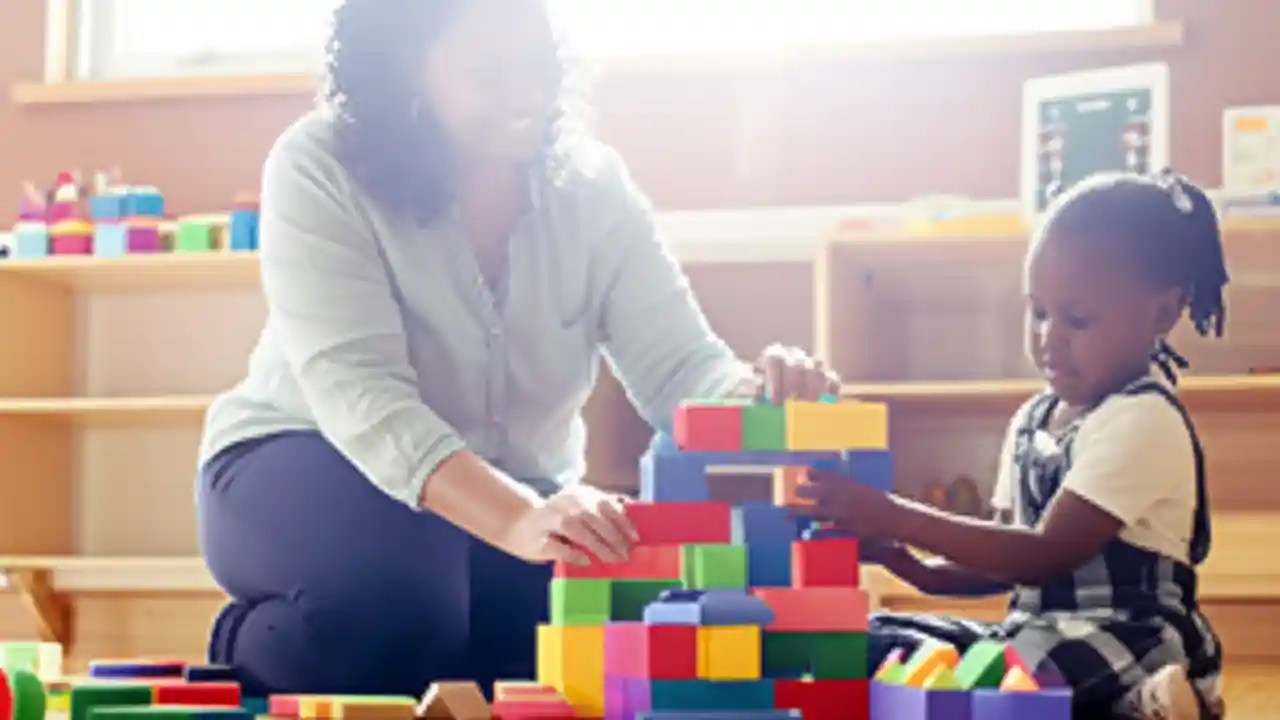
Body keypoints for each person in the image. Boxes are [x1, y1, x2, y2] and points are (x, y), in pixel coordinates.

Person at [194, 0, 839, 699]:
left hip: (510, 493)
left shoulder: (593, 187)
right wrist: (516, 519)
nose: (526, 94)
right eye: (488, 72)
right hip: (303, 454)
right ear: (407, 69)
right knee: (404, 608)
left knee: (551, 652)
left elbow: (681, 366)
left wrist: (761, 397)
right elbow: (362, 395)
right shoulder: (318, 161)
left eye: (539, 67)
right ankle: (246, 649)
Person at [795, 170, 1228, 719]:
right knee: (877, 641)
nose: (1049, 338)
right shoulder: (1034, 420)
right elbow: (1003, 556)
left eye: (1078, 318)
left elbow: (1044, 554)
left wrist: (894, 515)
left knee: (1012, 679)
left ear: (1162, 313)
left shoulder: (1142, 420)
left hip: (1126, 639)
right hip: (1034, 637)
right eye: (1039, 311)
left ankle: (1143, 704)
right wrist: (909, 565)